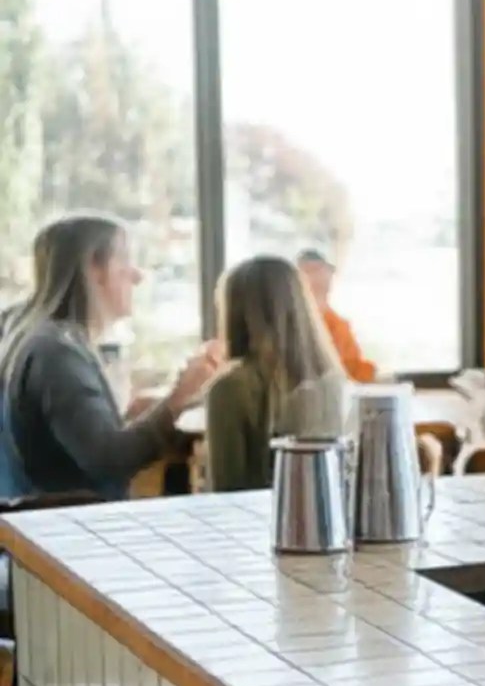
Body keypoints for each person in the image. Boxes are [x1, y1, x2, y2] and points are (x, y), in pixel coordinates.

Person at [0, 213, 219, 501]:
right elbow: (111, 462)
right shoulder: (57, 353)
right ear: (94, 269)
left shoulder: (32, 334)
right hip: (65, 533)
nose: (137, 276)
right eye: (125, 260)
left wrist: (131, 417)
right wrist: (177, 400)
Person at [204, 255, 347, 492]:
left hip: (257, 522)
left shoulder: (229, 388)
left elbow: (224, 490)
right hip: (327, 521)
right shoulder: (334, 381)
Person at [296, 248, 377, 383]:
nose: (319, 277)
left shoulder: (338, 324)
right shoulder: (290, 323)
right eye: (311, 271)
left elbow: (354, 368)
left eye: (323, 270)